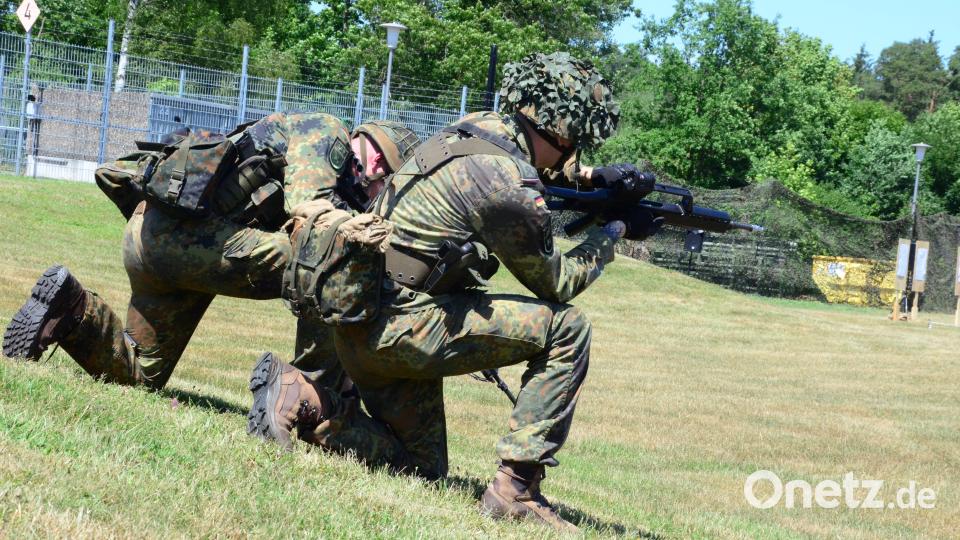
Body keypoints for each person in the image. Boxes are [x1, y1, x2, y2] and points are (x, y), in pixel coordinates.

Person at [247, 52, 662, 531]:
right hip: (402, 328)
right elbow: (558, 282)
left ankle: (304, 397)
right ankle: (517, 489)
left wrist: (594, 180)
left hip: (364, 323)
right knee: (568, 329)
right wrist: (612, 233)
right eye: (575, 145)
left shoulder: (470, 129)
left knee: (419, 467)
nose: (576, 155)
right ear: (561, 131)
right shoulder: (507, 184)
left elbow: (531, 167)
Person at [2, 115, 419, 391]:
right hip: (182, 239)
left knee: (140, 372)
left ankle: (71, 308)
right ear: (378, 157)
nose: (378, 191)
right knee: (330, 260)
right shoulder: (326, 131)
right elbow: (309, 210)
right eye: (386, 180)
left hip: (157, 240)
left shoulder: (338, 172)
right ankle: (311, 394)